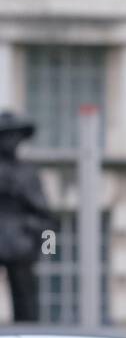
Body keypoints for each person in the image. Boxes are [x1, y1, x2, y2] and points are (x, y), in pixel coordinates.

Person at [0, 111, 56, 323]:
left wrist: (46, 249)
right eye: (6, 136)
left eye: (14, 136)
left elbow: (46, 216)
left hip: (19, 242)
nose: (11, 141)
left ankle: (28, 329)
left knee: (26, 301)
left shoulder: (27, 173)